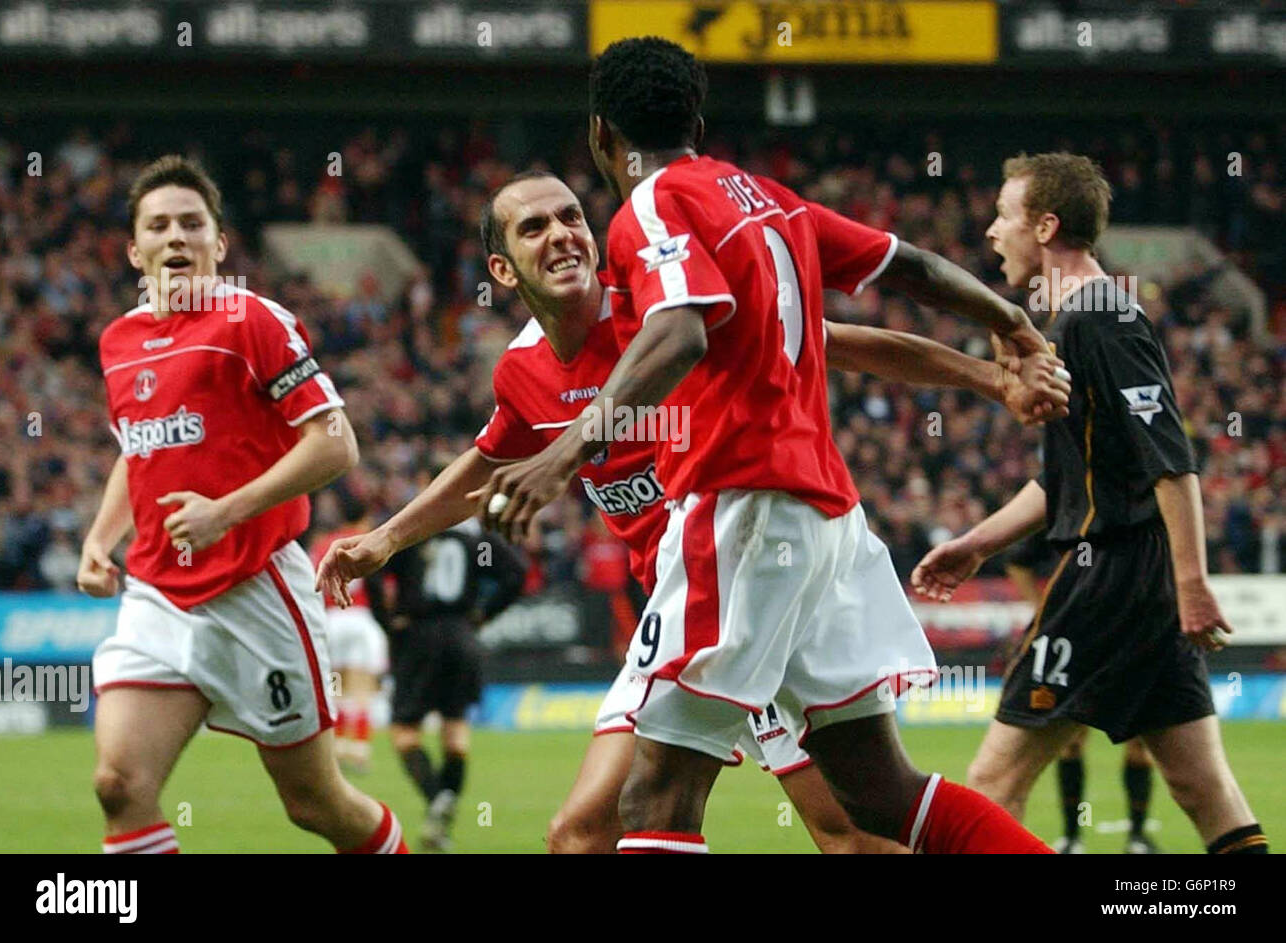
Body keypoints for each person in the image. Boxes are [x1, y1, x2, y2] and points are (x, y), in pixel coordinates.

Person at [318, 170, 1068, 853]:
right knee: (589, 833)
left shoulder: (661, 309)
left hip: (752, 565)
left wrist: (984, 378)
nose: (562, 234)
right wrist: (383, 539)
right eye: (534, 227)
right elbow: (483, 459)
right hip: (683, 605)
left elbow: (836, 341)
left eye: (571, 216)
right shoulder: (523, 370)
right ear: (502, 270)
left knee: (844, 828)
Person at [467, 38, 1064, 854]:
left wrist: (564, 452)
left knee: (657, 795)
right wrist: (1012, 324)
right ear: (698, 120)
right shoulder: (767, 197)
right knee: (879, 796)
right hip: (828, 518)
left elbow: (675, 331)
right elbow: (911, 264)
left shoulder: (650, 211)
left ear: (602, 134)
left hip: (742, 508)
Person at [913, 152, 1268, 855]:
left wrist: (1194, 583)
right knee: (1204, 789)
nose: (990, 232)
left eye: (1004, 217)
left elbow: (1170, 456)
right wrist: (977, 543)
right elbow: (1062, 483)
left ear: (1045, 226)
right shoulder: (1074, 323)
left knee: (990, 783)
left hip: (1111, 575)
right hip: (1143, 581)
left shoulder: (1100, 316)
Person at [77, 155, 406, 854]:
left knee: (317, 805)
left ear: (218, 243)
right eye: (158, 226)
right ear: (135, 250)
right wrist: (101, 539)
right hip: (159, 596)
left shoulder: (251, 320)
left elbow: (336, 445)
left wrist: (224, 510)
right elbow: (137, 452)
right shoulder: (119, 342)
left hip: (255, 589)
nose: (176, 238)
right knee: (118, 783)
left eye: (192, 224)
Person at [367, 500, 526, 852]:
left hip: (418, 636)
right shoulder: (478, 540)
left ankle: (437, 796)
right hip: (461, 637)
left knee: (405, 732)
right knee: (455, 730)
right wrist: (483, 615)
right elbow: (516, 574)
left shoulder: (410, 531)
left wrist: (387, 622)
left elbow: (374, 572)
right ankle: (442, 815)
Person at [1005, 536, 1160, 854]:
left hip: (1132, 636)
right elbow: (1017, 561)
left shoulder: (1136, 513)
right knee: (1071, 742)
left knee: (1139, 743)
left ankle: (1137, 837)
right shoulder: (1066, 508)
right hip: (1074, 640)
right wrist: (1042, 610)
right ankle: (1072, 837)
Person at [309, 490, 389, 773]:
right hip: (361, 618)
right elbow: (381, 586)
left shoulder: (322, 545)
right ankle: (360, 750)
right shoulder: (369, 542)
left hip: (332, 620)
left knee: (336, 687)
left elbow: (313, 586)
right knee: (363, 688)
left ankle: (338, 747)